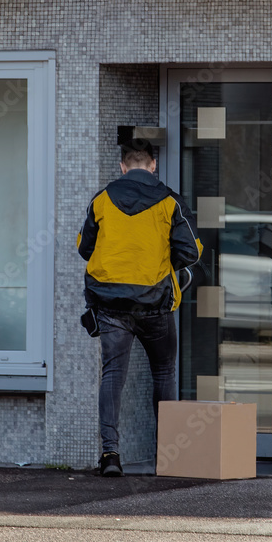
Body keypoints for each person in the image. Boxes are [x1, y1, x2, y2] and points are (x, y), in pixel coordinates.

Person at [77, 139, 202, 477]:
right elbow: (192, 251)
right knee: (163, 374)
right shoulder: (169, 201)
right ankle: (167, 454)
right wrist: (161, 264)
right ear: (153, 165)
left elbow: (84, 248)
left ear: (122, 166)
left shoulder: (102, 200)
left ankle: (110, 455)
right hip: (155, 303)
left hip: (111, 305)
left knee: (112, 375)